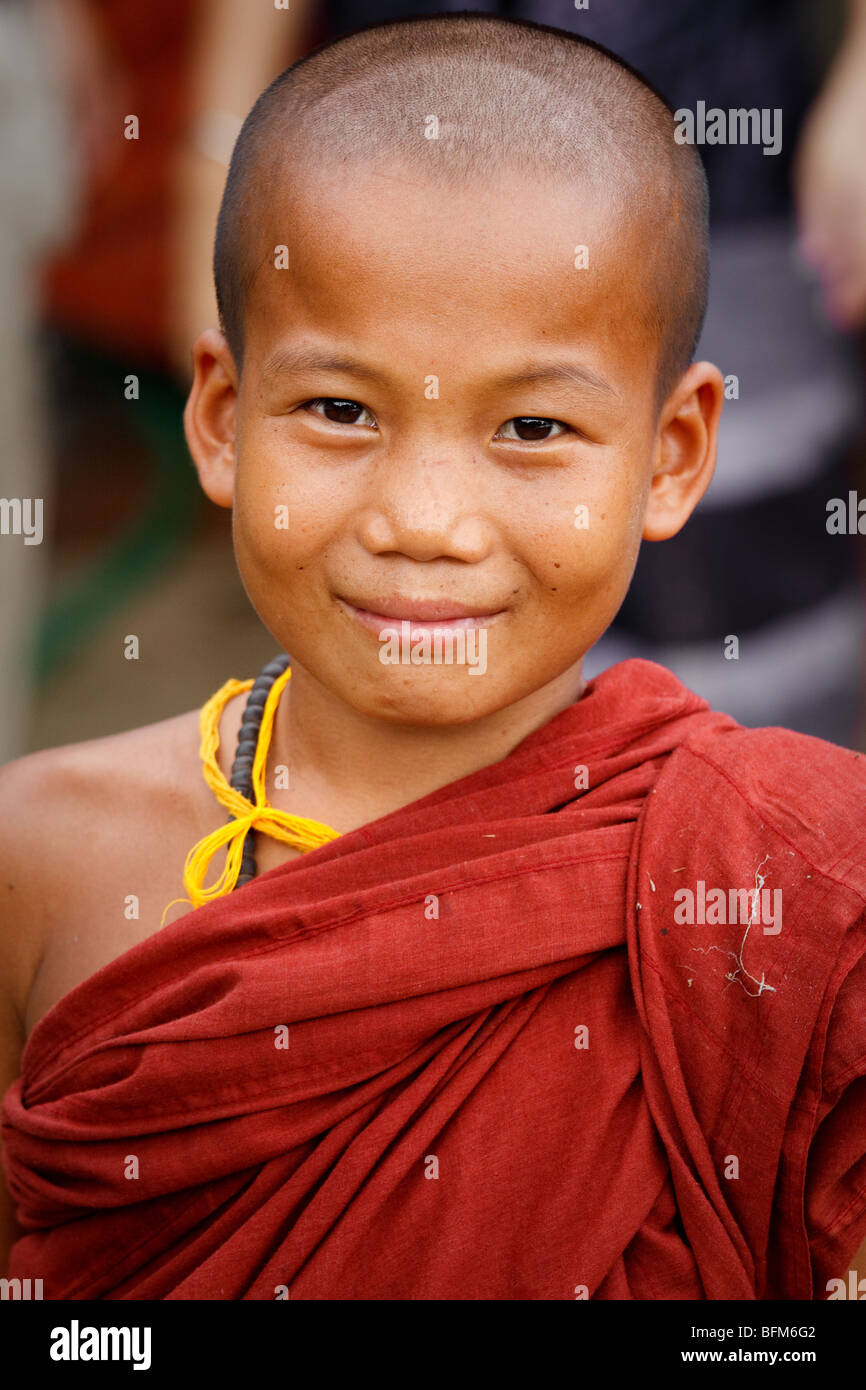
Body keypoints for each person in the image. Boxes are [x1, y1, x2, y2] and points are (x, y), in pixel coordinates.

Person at [1, 15, 864, 1301]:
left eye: (530, 426)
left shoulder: (784, 882)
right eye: (339, 411)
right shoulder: (47, 852)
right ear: (224, 421)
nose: (423, 521)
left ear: (674, 452)